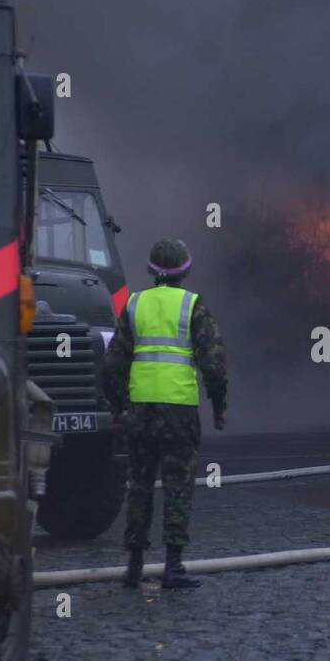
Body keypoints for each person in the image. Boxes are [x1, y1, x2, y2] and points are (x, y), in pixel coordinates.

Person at [102, 238, 227, 589]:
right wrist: (219, 407)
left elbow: (112, 364)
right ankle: (173, 566)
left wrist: (118, 407)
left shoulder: (134, 304)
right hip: (180, 412)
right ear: (185, 269)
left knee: (139, 486)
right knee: (178, 486)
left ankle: (134, 566)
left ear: (150, 270)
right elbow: (214, 365)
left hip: (140, 411)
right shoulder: (192, 306)